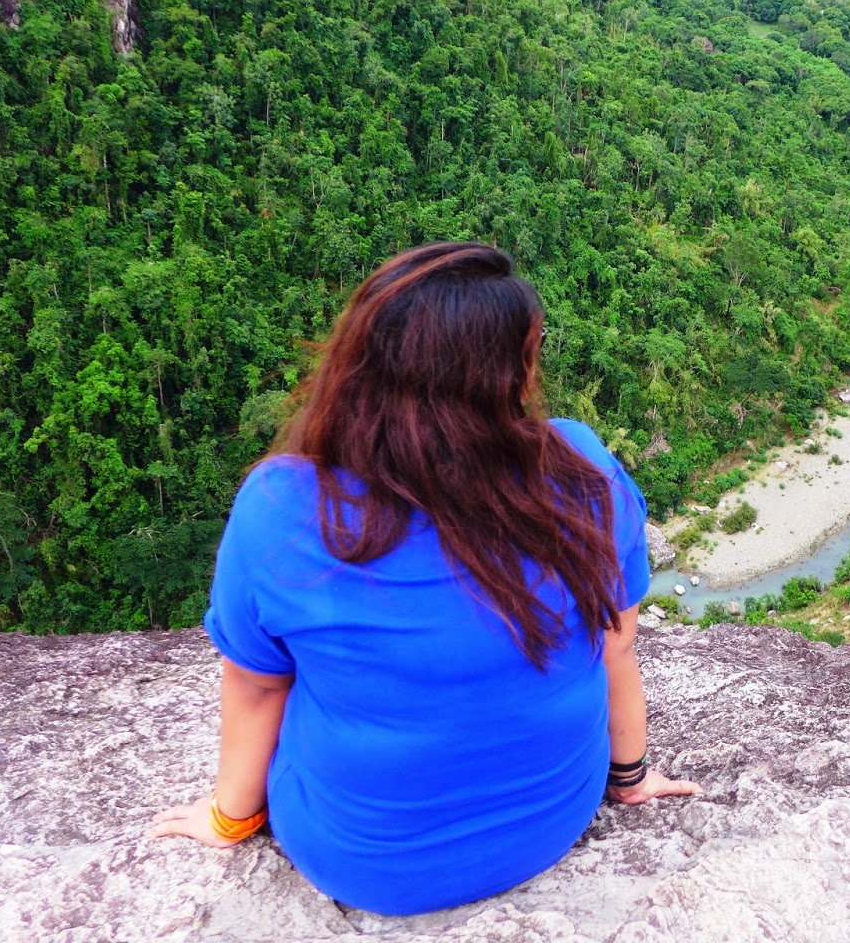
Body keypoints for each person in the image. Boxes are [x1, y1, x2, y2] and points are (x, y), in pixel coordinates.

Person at [147, 242, 699, 914]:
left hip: (365, 867)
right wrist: (629, 778)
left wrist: (228, 818)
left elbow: (259, 689)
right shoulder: (582, 469)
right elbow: (616, 645)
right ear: (512, 369)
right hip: (551, 823)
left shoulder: (282, 508)